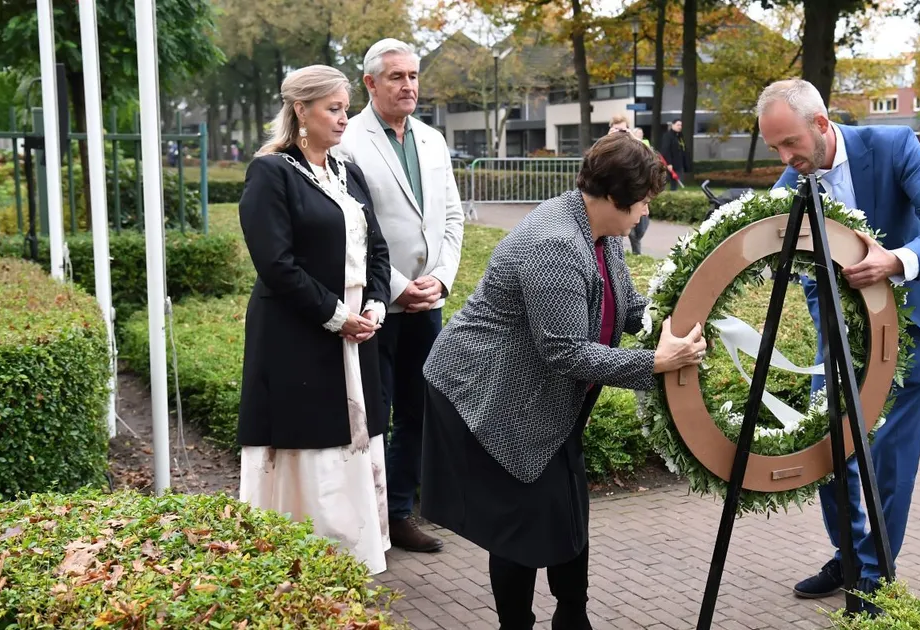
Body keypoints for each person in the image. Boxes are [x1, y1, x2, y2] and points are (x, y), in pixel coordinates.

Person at [420, 133, 706, 629]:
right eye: (641, 204)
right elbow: (565, 351)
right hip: (486, 395)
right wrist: (655, 364)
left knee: (568, 512)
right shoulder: (555, 243)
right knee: (522, 526)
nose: (644, 216)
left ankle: (572, 617)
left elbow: (627, 307)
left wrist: (675, 322)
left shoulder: (600, 233)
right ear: (615, 198)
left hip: (534, 394)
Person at [758, 79, 920, 606]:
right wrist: (834, 328)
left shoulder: (894, 146)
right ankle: (849, 556)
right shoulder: (790, 184)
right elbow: (808, 276)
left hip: (917, 315)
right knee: (827, 443)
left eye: (791, 143)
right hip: (845, 325)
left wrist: (895, 260)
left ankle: (876, 577)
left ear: (821, 124)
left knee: (886, 455)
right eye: (775, 149)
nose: (787, 159)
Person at [236, 65, 393, 574]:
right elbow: (277, 265)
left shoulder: (349, 170)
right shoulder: (271, 172)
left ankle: (354, 553)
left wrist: (373, 305)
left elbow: (378, 248)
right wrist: (336, 315)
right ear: (300, 110)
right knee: (311, 441)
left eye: (345, 108)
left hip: (356, 330)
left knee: (355, 434)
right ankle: (306, 559)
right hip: (298, 333)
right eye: (334, 108)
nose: (345, 118)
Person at [335, 39, 465, 553]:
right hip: (374, 305)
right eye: (396, 77)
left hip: (427, 303)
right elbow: (353, 230)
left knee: (418, 409)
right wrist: (393, 287)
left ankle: (400, 512)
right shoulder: (348, 143)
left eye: (413, 75)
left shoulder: (433, 140)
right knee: (372, 409)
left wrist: (441, 279)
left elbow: (453, 217)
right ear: (370, 83)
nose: (408, 85)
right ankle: (366, 517)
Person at [661, 118, 690, 190]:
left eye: (681, 125)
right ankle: (673, 193)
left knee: (679, 179)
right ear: (673, 125)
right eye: (678, 125)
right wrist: (669, 163)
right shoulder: (668, 136)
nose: (680, 127)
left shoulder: (680, 136)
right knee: (673, 181)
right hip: (672, 163)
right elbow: (665, 150)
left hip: (680, 163)